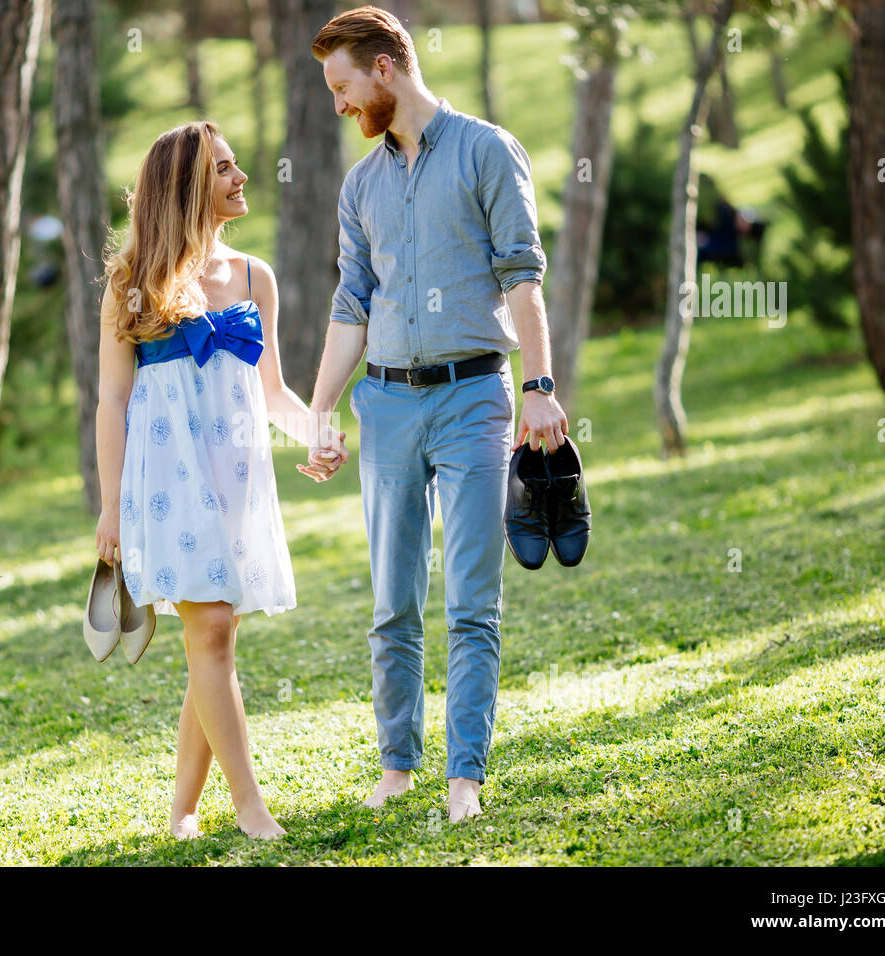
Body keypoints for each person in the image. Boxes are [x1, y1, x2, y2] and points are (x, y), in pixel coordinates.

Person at [303, 5, 569, 822]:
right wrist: (322, 407)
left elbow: (522, 275)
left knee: (470, 596)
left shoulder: (488, 151)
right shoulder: (361, 185)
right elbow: (352, 302)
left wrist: (540, 386)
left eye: (345, 86)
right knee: (392, 601)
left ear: (385, 68)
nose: (341, 105)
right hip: (384, 404)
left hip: (473, 398)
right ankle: (396, 765)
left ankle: (465, 777)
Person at [94, 121, 332, 840]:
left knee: (211, 639)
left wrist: (317, 432)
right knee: (216, 630)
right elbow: (111, 398)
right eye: (225, 169)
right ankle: (249, 807)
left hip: (235, 477)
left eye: (238, 164)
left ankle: (182, 811)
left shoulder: (255, 276)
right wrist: (110, 507)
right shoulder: (130, 280)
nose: (241, 178)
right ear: (189, 186)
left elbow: (274, 390)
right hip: (167, 475)